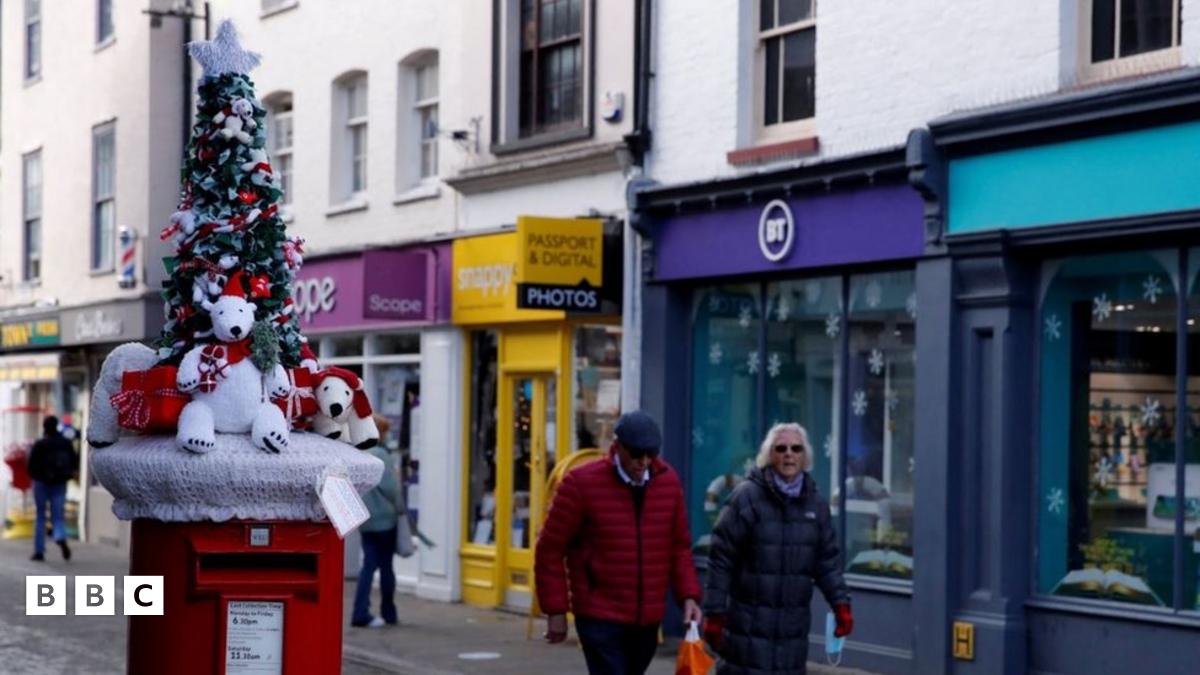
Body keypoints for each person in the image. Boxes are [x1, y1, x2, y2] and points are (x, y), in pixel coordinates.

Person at [535, 410, 703, 675]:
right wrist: (556, 610)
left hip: (647, 617)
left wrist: (689, 596)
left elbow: (678, 546)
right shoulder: (581, 483)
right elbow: (549, 548)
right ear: (618, 447)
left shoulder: (667, 482)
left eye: (651, 454)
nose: (643, 462)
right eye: (636, 454)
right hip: (599, 614)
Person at [702, 422, 852, 674]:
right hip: (746, 631)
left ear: (805, 456)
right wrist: (714, 613)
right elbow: (721, 559)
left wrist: (841, 605)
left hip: (791, 634)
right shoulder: (746, 497)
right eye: (781, 448)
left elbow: (827, 561)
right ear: (769, 455)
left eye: (796, 448)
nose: (789, 454)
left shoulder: (816, 504)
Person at [351, 414, 403, 628]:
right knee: (386, 567)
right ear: (380, 432)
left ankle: (360, 610)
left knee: (368, 566)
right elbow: (392, 489)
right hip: (385, 521)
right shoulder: (381, 455)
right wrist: (401, 511)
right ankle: (388, 611)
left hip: (366, 520)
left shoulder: (359, 454)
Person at [27, 415, 76, 562]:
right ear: (57, 426)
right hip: (60, 484)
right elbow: (74, 462)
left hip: (41, 484)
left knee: (41, 516)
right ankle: (59, 536)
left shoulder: (40, 444)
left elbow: (30, 467)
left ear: (44, 427)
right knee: (58, 516)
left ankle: (39, 551)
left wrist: (39, 476)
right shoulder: (65, 443)